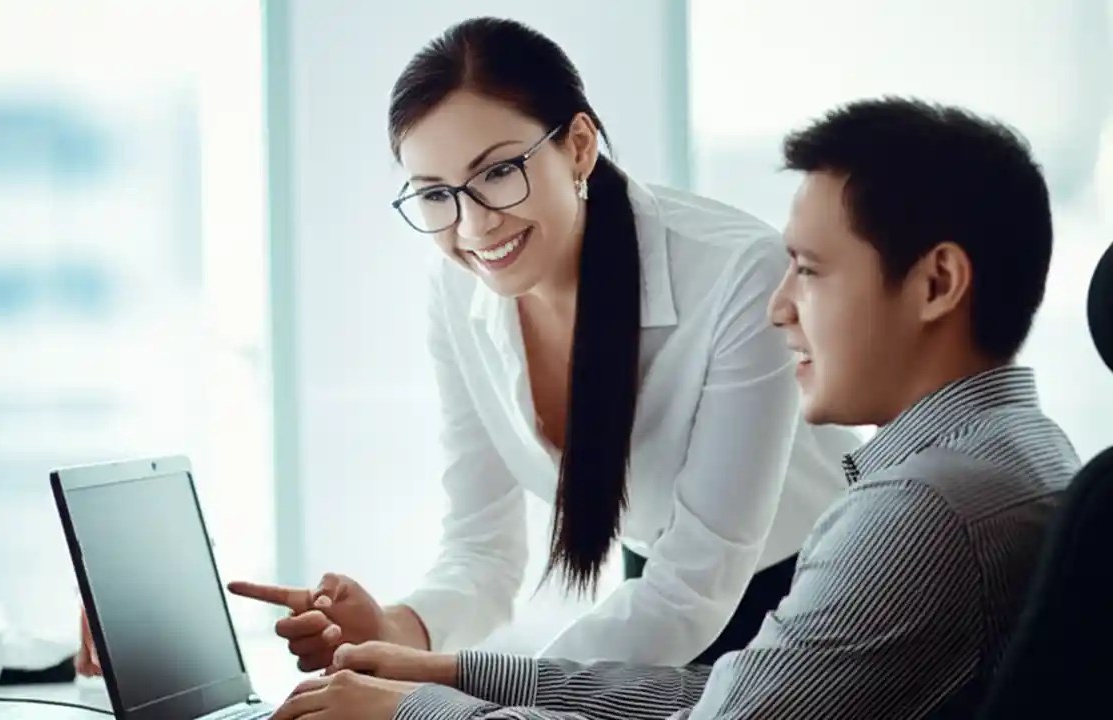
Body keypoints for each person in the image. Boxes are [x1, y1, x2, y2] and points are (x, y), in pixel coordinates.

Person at [75, 16, 858, 676]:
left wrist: (454, 689)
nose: (475, 224)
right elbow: (482, 552)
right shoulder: (457, 290)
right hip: (653, 606)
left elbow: (699, 581)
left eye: (501, 173)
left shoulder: (736, 272)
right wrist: (396, 629)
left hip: (811, 600)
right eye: (436, 194)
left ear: (579, 146)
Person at [266, 97, 1081, 720]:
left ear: (936, 283)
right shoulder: (1015, 451)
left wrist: (416, 713)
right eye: (437, 194)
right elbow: (726, 692)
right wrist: (457, 672)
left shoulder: (920, 513)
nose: (779, 308)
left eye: (809, 270)